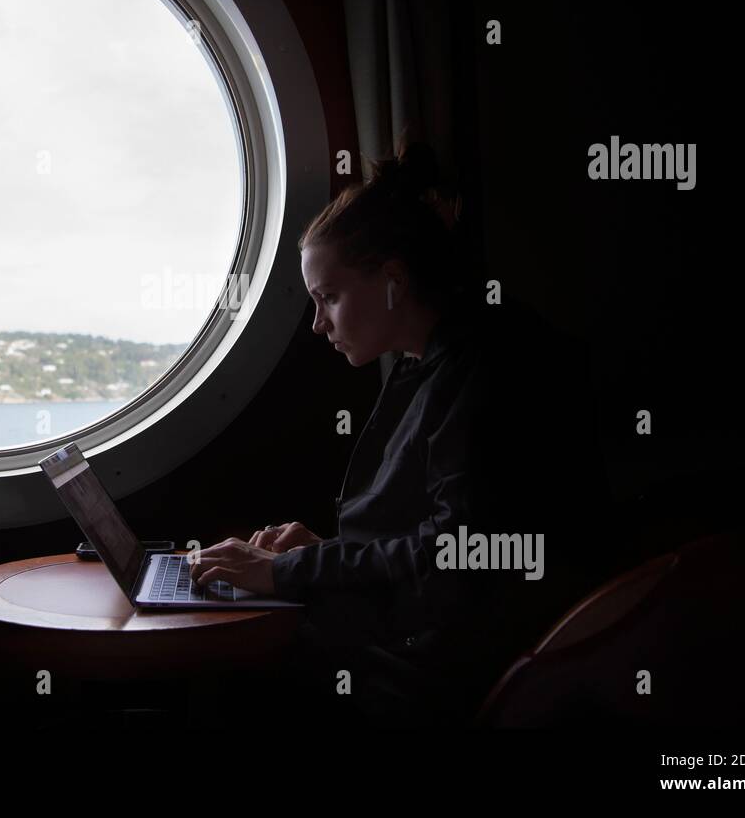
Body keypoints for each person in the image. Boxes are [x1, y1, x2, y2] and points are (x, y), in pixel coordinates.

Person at [187, 134, 610, 726]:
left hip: (448, 664)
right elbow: (422, 534)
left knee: (224, 674)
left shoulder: (488, 371)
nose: (318, 324)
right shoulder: (426, 360)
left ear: (392, 279)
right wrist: (325, 555)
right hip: (423, 634)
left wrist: (291, 572)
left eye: (329, 297)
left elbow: (452, 560)